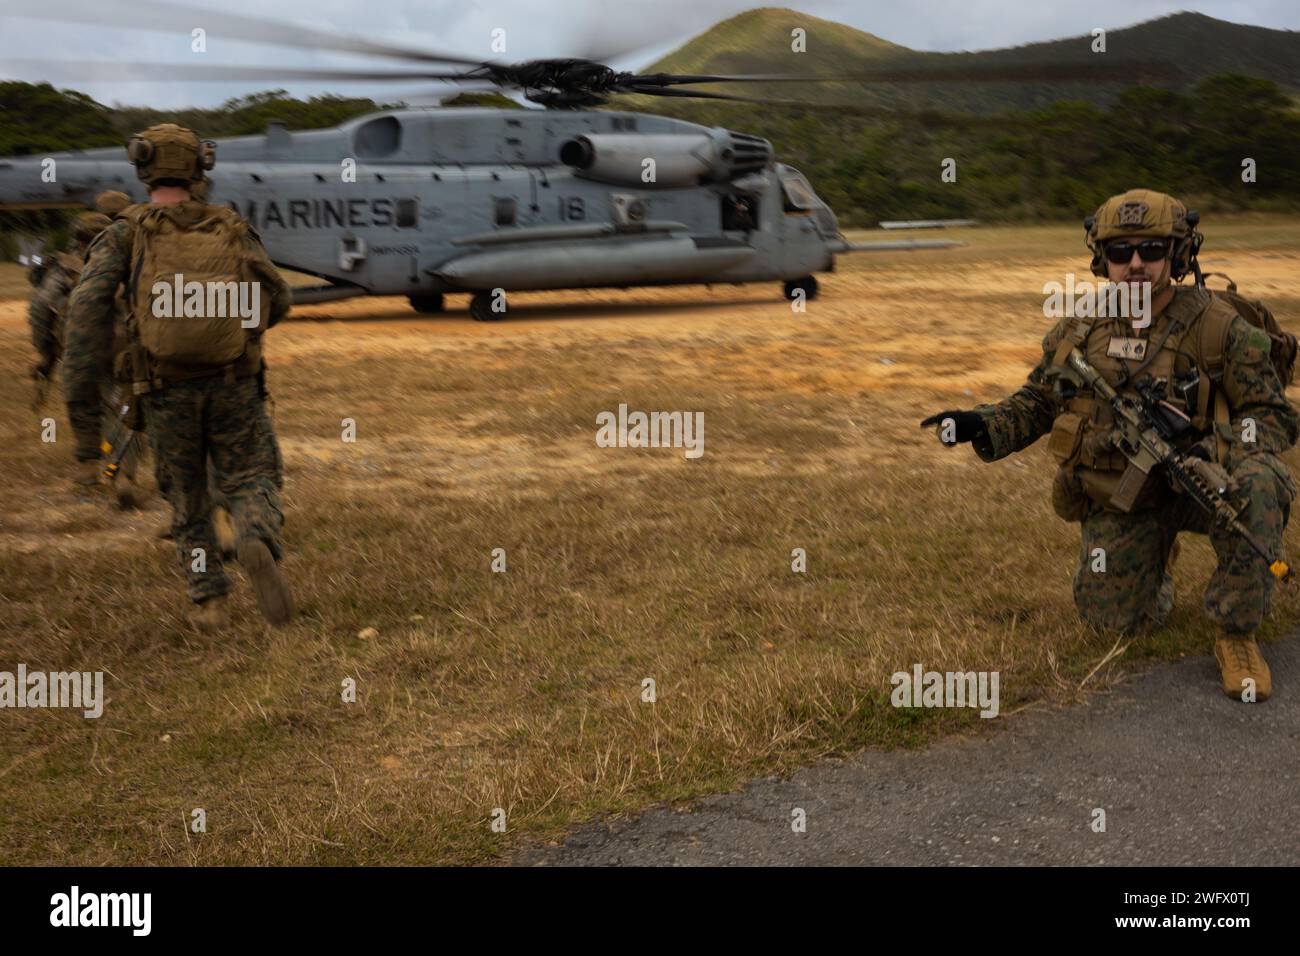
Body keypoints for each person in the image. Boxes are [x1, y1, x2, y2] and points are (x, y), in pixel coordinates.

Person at [922, 189, 1297, 701]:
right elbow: (1038, 400)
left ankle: (1236, 632)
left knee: (1260, 483)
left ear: (1178, 255)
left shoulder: (1220, 328)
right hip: (1128, 489)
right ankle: (1153, 559)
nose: (1136, 264)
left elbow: (1272, 416)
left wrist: (1221, 451)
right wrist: (979, 424)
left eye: (1152, 249)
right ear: (1103, 260)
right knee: (1112, 623)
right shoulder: (1079, 331)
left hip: (1208, 484)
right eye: (1121, 253)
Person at [63, 124, 295, 630]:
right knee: (251, 475)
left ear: (142, 168)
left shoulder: (125, 232)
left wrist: (80, 391)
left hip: (164, 389)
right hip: (234, 381)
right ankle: (255, 537)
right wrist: (241, 329)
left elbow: (85, 307)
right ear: (199, 168)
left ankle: (208, 599)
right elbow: (277, 297)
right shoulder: (231, 225)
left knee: (187, 499)